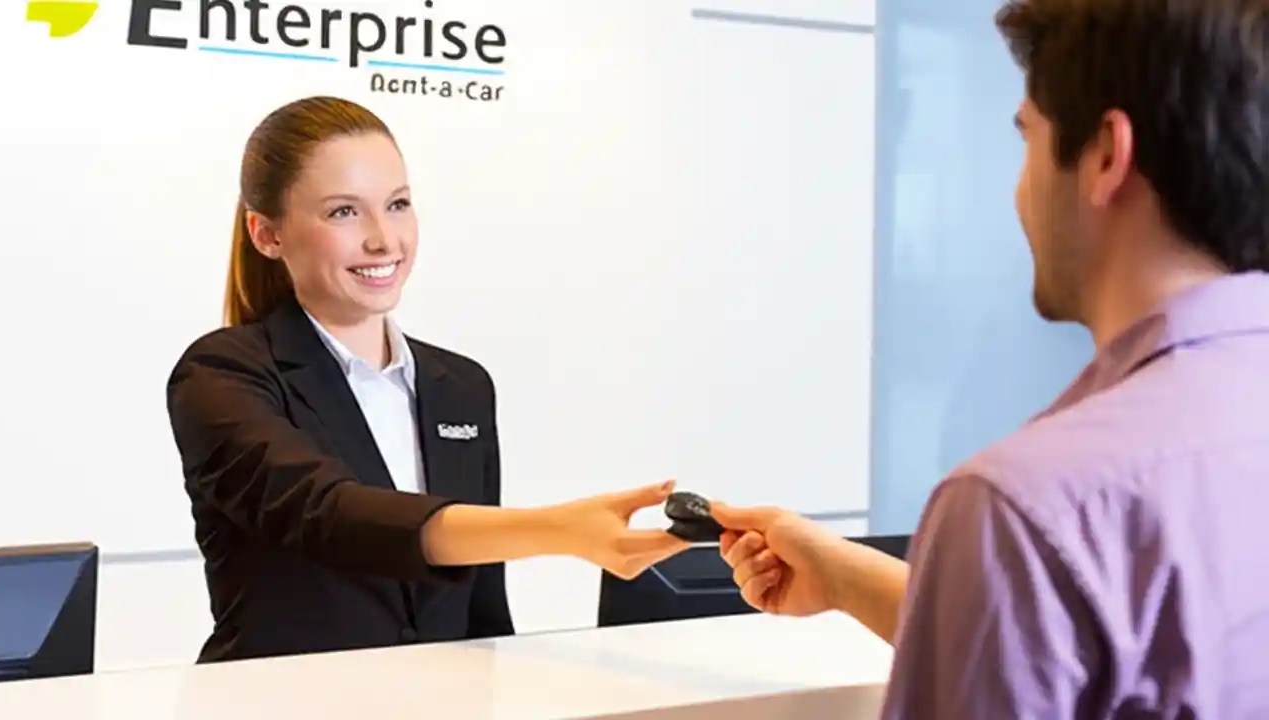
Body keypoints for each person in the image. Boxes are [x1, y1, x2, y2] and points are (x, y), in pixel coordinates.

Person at [714, 0, 1269, 716]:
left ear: (1106, 155)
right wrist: (848, 580)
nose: (1018, 191)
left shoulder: (1023, 504)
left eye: (1027, 138)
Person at [166, 95, 688, 663]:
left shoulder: (460, 386)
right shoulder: (221, 375)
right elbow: (327, 514)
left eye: (397, 205)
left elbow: (482, 612)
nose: (384, 240)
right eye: (344, 213)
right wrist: (558, 529)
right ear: (268, 234)